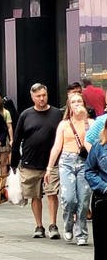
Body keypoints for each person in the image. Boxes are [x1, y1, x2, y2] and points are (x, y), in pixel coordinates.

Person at [11, 83, 64, 239]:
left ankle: (53, 225)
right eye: (38, 96)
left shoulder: (57, 114)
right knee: (35, 195)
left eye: (44, 95)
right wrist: (14, 162)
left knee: (52, 193)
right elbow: (17, 139)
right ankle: (39, 225)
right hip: (30, 161)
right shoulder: (26, 115)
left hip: (52, 162)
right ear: (32, 97)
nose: (41, 98)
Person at [45, 93, 93, 246]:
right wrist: (49, 168)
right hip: (66, 161)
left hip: (84, 162)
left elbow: (91, 143)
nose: (77, 104)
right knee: (69, 198)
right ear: (69, 106)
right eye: (74, 102)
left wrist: (85, 119)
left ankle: (81, 233)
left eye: (79, 101)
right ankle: (68, 224)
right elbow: (56, 146)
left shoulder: (91, 123)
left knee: (83, 200)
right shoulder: (64, 124)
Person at [85, 121, 107, 260]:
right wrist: (104, 187)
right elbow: (89, 170)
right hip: (103, 198)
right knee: (103, 243)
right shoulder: (99, 146)